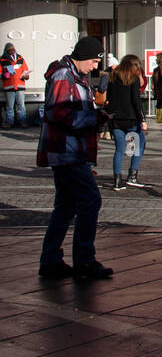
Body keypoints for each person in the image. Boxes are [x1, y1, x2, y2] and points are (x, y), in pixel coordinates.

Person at [37, 36, 114, 282]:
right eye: (93, 61)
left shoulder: (73, 76)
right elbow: (59, 113)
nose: (95, 66)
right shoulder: (64, 76)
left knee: (66, 205)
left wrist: (96, 116)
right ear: (81, 56)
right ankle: (84, 260)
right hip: (67, 152)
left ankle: (51, 260)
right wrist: (94, 119)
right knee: (90, 200)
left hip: (68, 151)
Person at [106, 55, 146, 190]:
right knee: (139, 143)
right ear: (133, 66)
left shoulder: (112, 77)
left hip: (116, 119)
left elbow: (109, 98)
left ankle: (117, 181)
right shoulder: (133, 79)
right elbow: (136, 101)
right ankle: (132, 176)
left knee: (119, 150)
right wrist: (142, 120)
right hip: (131, 119)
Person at [1, 42, 30, 127]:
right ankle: (9, 122)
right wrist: (5, 75)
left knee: (21, 106)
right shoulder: (2, 60)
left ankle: (23, 122)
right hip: (9, 86)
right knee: (10, 107)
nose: (12, 51)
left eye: (13, 49)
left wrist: (26, 75)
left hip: (20, 85)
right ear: (6, 50)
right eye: (10, 50)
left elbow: (25, 69)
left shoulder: (20, 58)